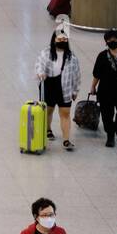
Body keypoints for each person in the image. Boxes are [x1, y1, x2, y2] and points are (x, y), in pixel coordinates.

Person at [33, 19, 79, 150]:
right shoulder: (46, 53)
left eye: (65, 39)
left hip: (65, 88)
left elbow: (76, 74)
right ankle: (48, 129)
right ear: (54, 40)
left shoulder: (72, 57)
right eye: (60, 39)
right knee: (49, 110)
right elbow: (39, 66)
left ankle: (66, 140)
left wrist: (75, 90)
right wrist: (41, 73)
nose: (62, 41)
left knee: (65, 113)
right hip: (49, 86)